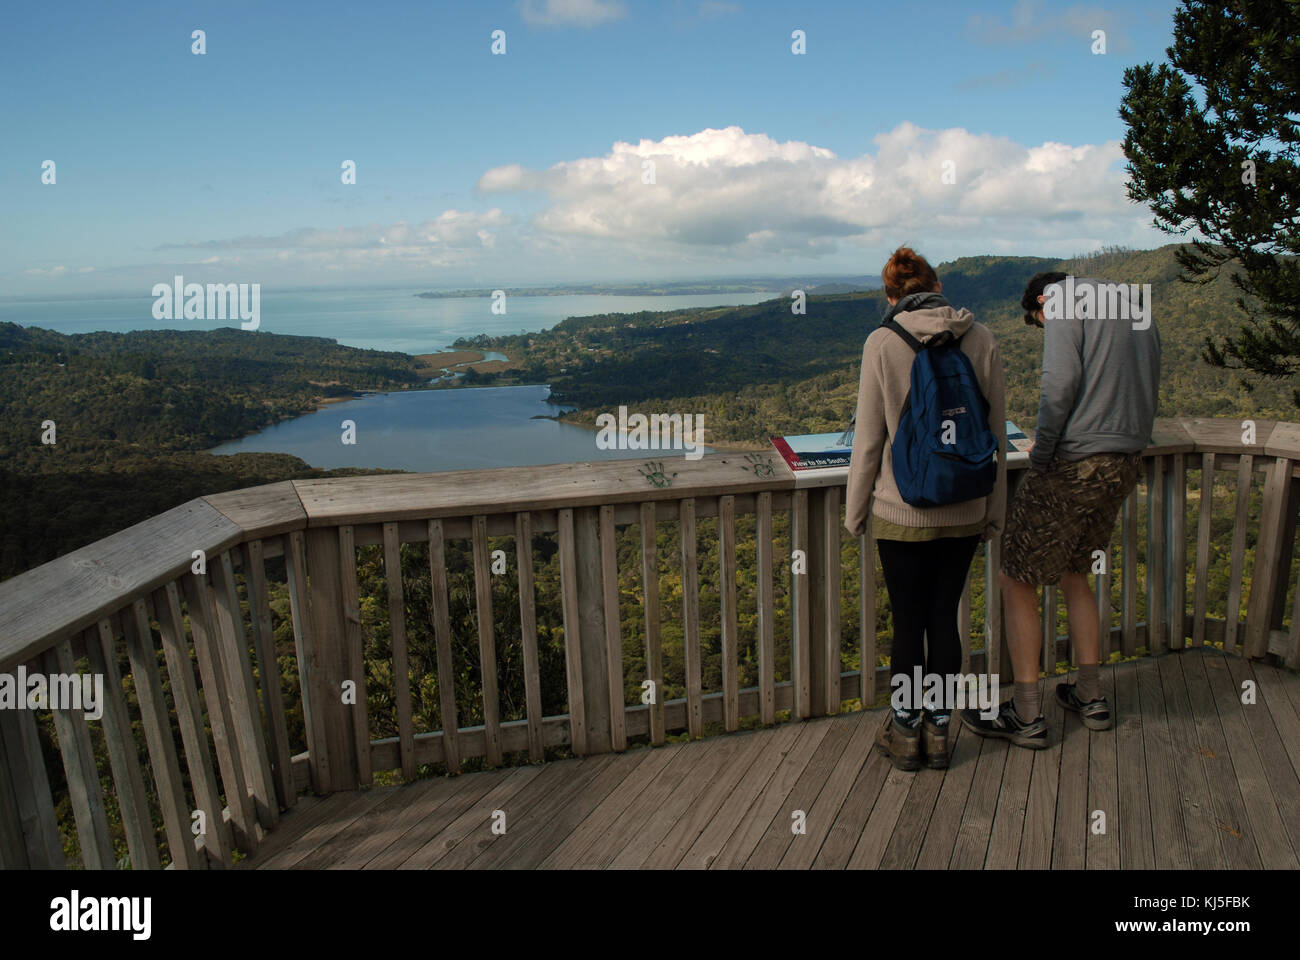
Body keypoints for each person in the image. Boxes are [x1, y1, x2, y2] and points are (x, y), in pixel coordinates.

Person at [961, 273, 1161, 748]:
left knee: (1016, 577)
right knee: (1075, 571)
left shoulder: (1067, 300)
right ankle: (1090, 696)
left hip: (1075, 461)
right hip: (1125, 460)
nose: (1043, 326)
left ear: (1042, 301)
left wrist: (1044, 452)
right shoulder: (1132, 299)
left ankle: (1027, 713)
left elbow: (1060, 382)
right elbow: (1149, 375)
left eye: (1037, 320)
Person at [845, 247, 1007, 770]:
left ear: (891, 296)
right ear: (937, 286)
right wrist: (993, 511)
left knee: (907, 620)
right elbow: (996, 435)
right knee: (944, 619)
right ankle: (940, 732)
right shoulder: (980, 337)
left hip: (902, 510)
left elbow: (869, 441)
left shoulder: (882, 342)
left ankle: (905, 730)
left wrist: (855, 512)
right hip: (966, 506)